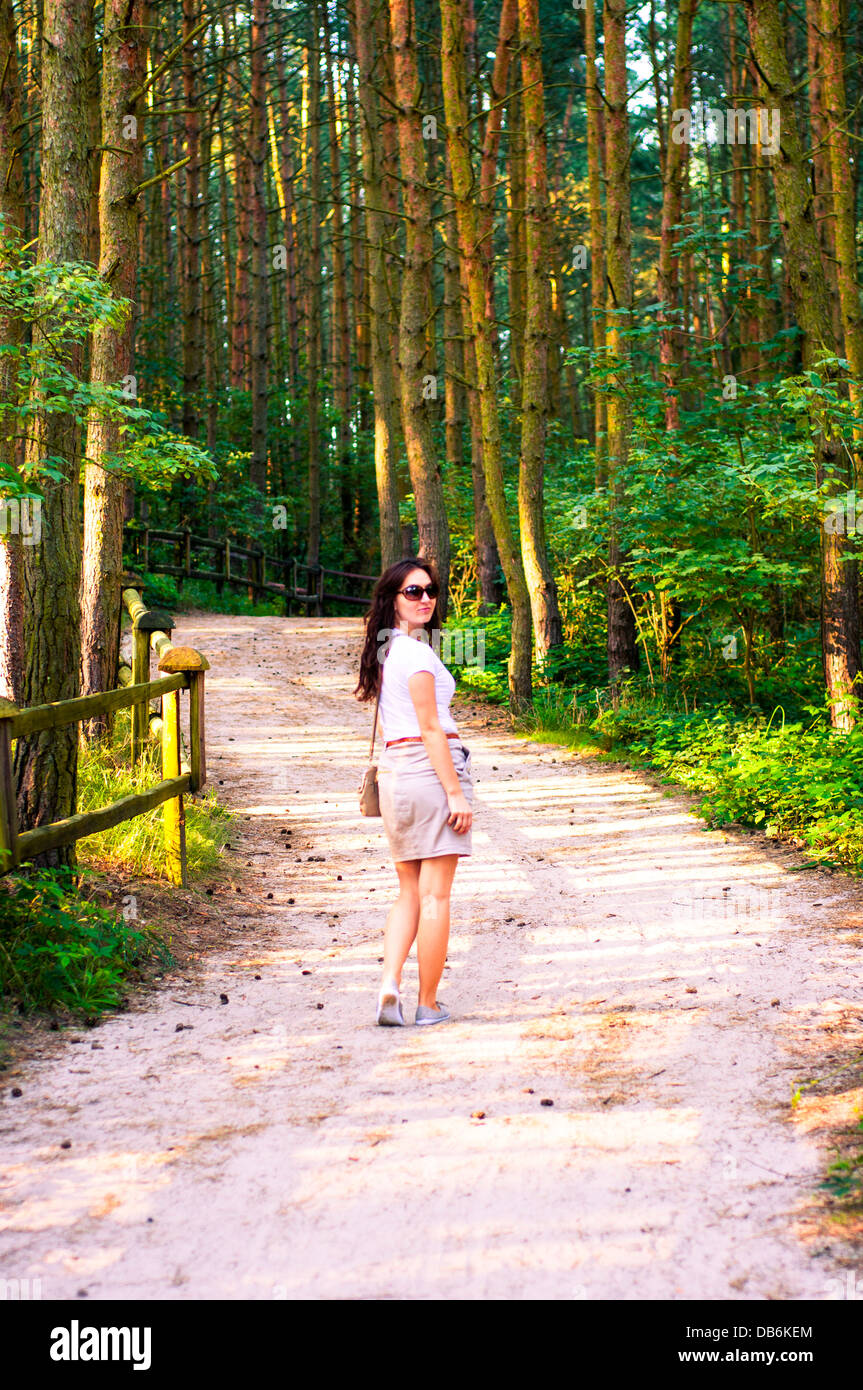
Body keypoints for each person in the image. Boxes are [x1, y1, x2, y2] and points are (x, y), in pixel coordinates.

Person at [354, 558, 474, 1027]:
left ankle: (389, 985)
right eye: (413, 591)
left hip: (396, 777)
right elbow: (430, 728)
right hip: (429, 774)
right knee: (435, 896)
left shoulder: (386, 652)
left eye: (430, 590)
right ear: (392, 598)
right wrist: (455, 793)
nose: (425, 598)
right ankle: (427, 1005)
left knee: (408, 892)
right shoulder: (418, 655)